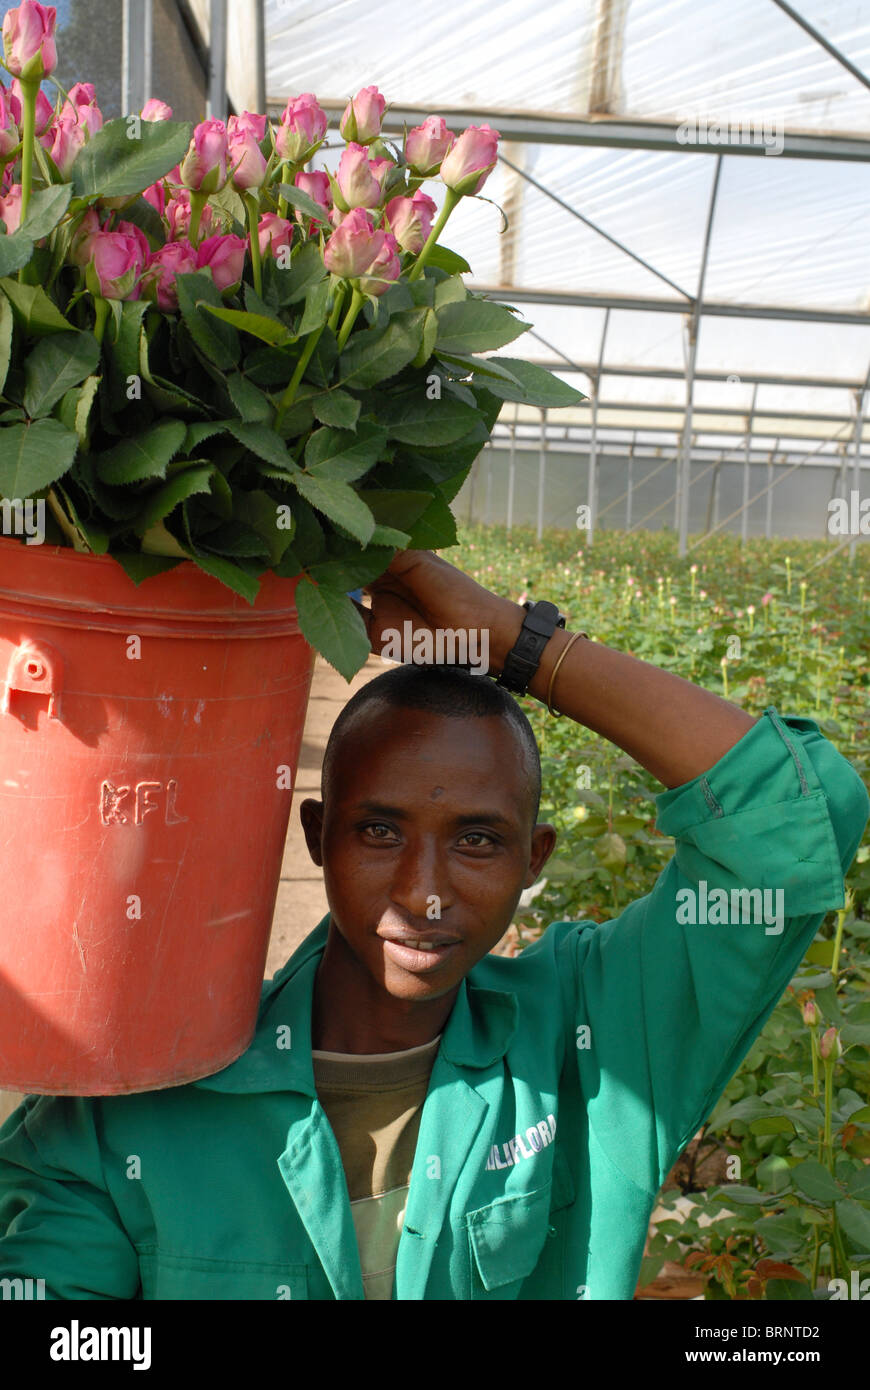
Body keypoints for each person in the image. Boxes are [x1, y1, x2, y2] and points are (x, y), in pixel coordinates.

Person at [0, 549, 867, 1301]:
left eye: (478, 841)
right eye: (379, 831)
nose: (424, 893)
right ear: (317, 838)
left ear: (536, 859)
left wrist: (519, 644)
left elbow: (799, 816)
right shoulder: (134, 1110)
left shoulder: (591, 1041)